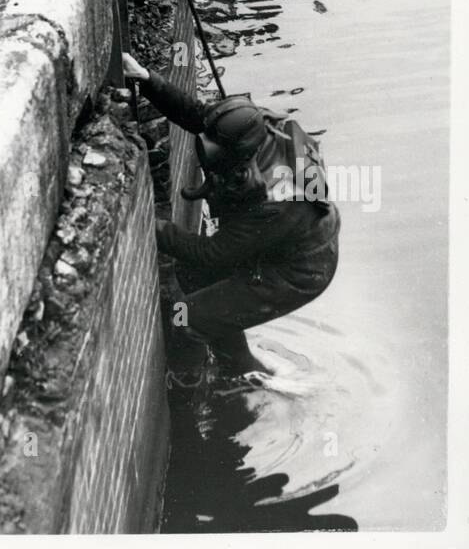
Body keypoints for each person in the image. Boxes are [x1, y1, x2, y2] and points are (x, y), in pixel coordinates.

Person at [123, 52, 340, 388]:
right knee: (192, 278)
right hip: (280, 240)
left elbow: (213, 253)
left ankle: (194, 387)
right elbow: (197, 115)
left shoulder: (276, 200)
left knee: (184, 318)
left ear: (242, 153)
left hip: (299, 271)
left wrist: (143, 225)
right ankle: (236, 368)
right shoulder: (252, 124)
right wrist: (147, 79)